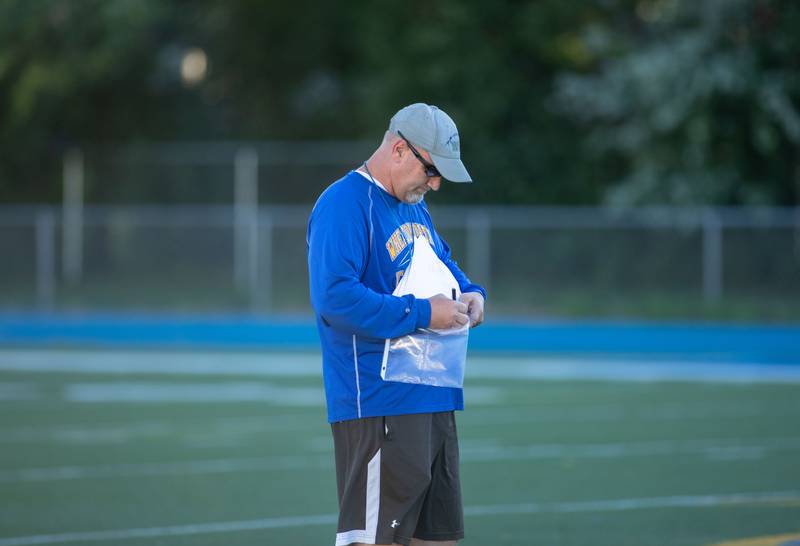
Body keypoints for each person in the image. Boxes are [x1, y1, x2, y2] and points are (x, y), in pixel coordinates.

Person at [307, 103, 486, 546]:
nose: (436, 183)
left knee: (438, 536)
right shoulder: (344, 203)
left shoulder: (414, 207)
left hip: (433, 396)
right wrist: (425, 313)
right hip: (378, 404)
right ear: (400, 149)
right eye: (431, 170)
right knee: (374, 540)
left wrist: (472, 292)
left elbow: (444, 264)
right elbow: (335, 297)